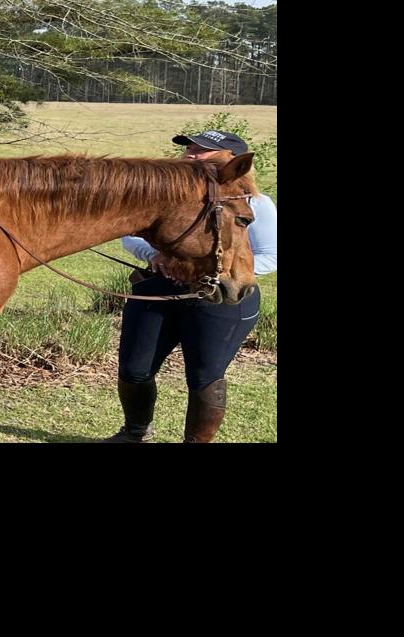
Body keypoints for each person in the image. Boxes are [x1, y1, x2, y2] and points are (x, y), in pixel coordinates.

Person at [104, 129, 277, 443]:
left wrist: (221, 270)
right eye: (190, 149)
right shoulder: (166, 194)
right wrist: (153, 253)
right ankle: (134, 434)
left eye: (202, 150)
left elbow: (272, 256)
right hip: (158, 287)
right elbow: (128, 232)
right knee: (134, 368)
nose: (190, 154)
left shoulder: (256, 204)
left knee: (204, 377)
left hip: (218, 298)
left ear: (232, 162)